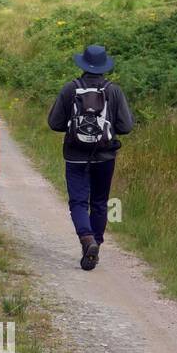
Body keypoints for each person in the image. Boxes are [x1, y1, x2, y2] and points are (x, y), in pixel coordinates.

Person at [47, 44, 134, 270]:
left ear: (83, 64)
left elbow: (54, 123)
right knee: (99, 203)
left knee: (78, 201)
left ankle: (87, 240)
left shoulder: (70, 88)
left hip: (75, 156)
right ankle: (96, 242)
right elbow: (126, 126)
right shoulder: (113, 90)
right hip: (105, 156)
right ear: (104, 66)